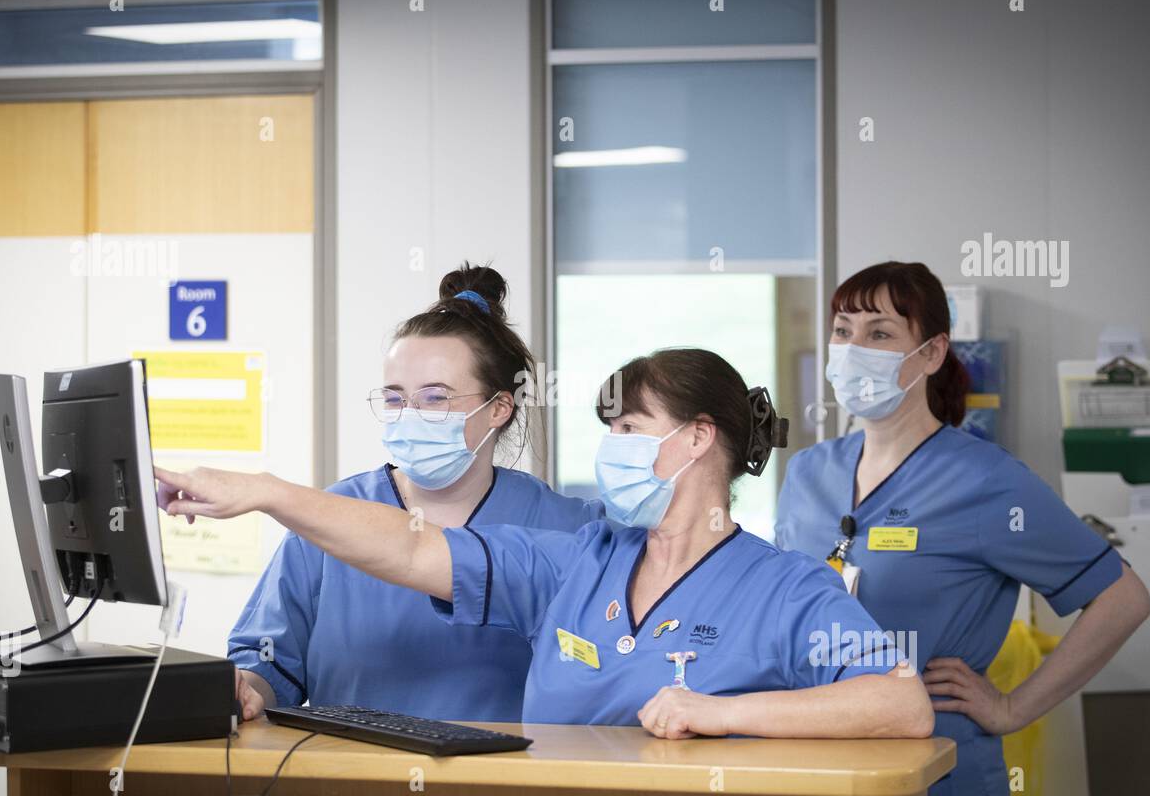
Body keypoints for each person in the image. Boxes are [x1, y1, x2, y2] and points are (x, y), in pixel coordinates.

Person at [156, 348, 934, 741]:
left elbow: (901, 702)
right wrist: (266, 491)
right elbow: (411, 547)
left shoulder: (786, 588)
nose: (613, 448)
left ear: (699, 438)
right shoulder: (577, 558)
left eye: (630, 429)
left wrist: (726, 713)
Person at [774, 261, 1150, 796]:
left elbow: (1124, 599)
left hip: (937, 777)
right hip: (814, 763)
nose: (854, 349)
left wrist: (1012, 709)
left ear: (930, 353)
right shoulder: (806, 474)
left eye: (879, 333)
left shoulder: (986, 481)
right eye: (842, 331)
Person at [193, 264, 603, 723]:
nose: (409, 415)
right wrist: (247, 690)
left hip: (502, 785)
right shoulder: (329, 519)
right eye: (393, 398)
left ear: (499, 409)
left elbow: (607, 670)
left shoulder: (567, 526)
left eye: (434, 398)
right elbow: (269, 664)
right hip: (347, 779)